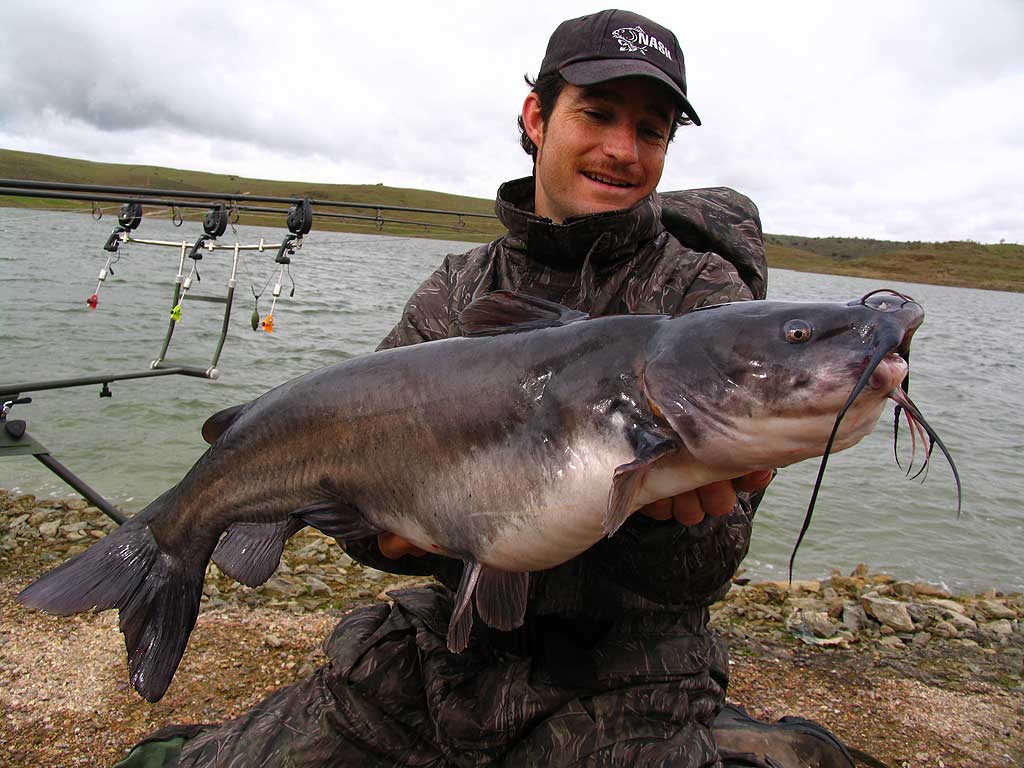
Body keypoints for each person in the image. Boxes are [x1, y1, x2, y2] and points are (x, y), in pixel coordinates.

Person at [117, 9, 856, 768]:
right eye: (597, 115)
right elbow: (382, 539)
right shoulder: (459, 288)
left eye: (652, 130)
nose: (621, 150)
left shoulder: (704, 299)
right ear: (537, 117)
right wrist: (380, 533)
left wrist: (667, 525)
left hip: (631, 672)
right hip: (446, 647)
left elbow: (709, 565)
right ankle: (160, 552)